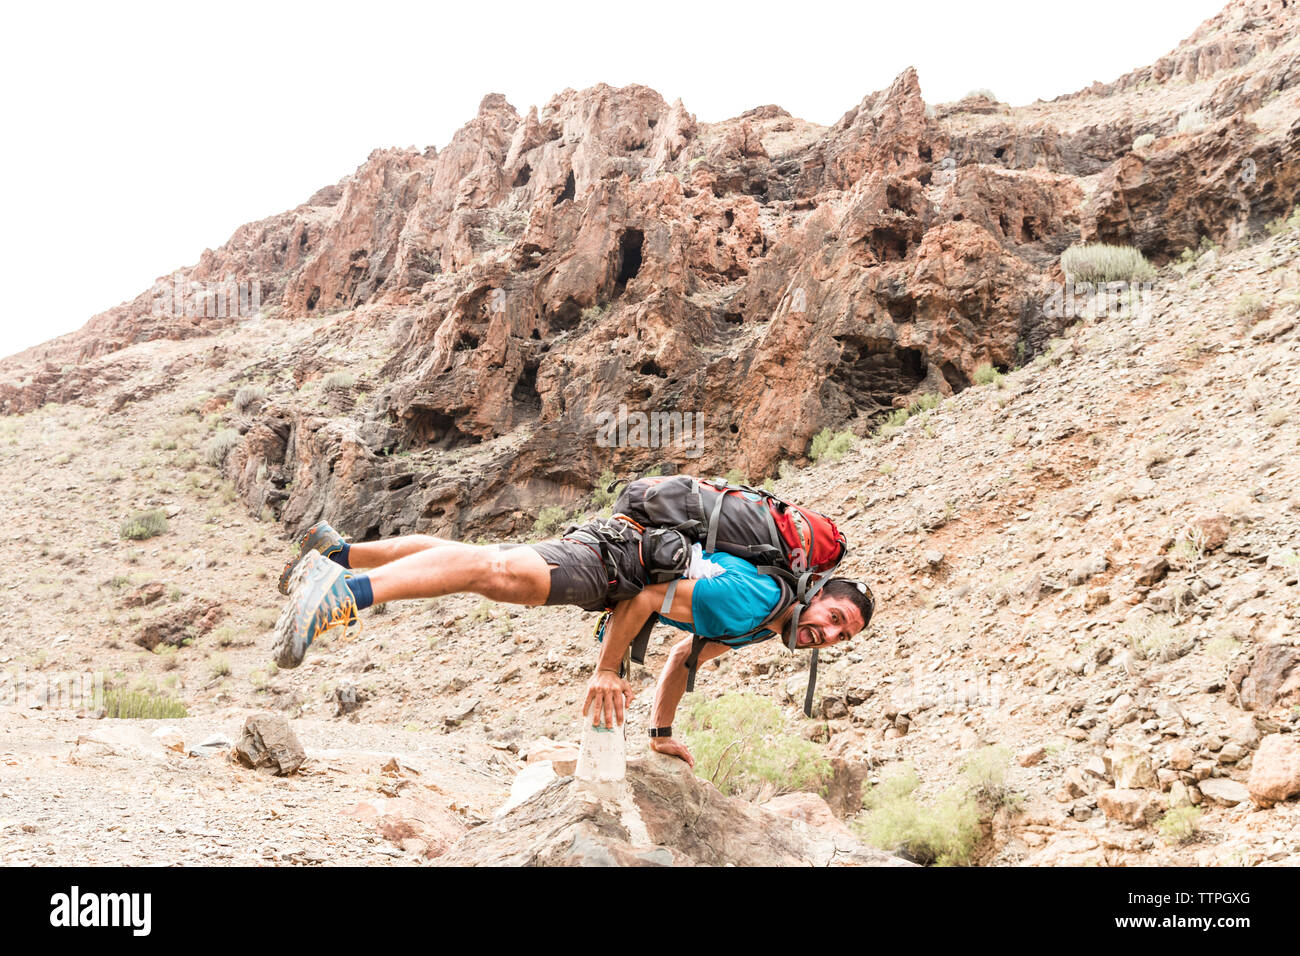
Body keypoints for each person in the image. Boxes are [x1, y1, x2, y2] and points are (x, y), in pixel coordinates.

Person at [272, 507, 874, 767]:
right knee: (498, 574)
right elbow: (645, 599)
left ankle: (337, 553)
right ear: (817, 593)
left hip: (620, 555)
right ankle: (341, 594)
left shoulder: (760, 628)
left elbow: (684, 656)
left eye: (841, 637)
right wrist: (607, 669)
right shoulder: (757, 601)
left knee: (484, 559)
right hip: (616, 561)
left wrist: (661, 734)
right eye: (835, 618)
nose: (829, 635)